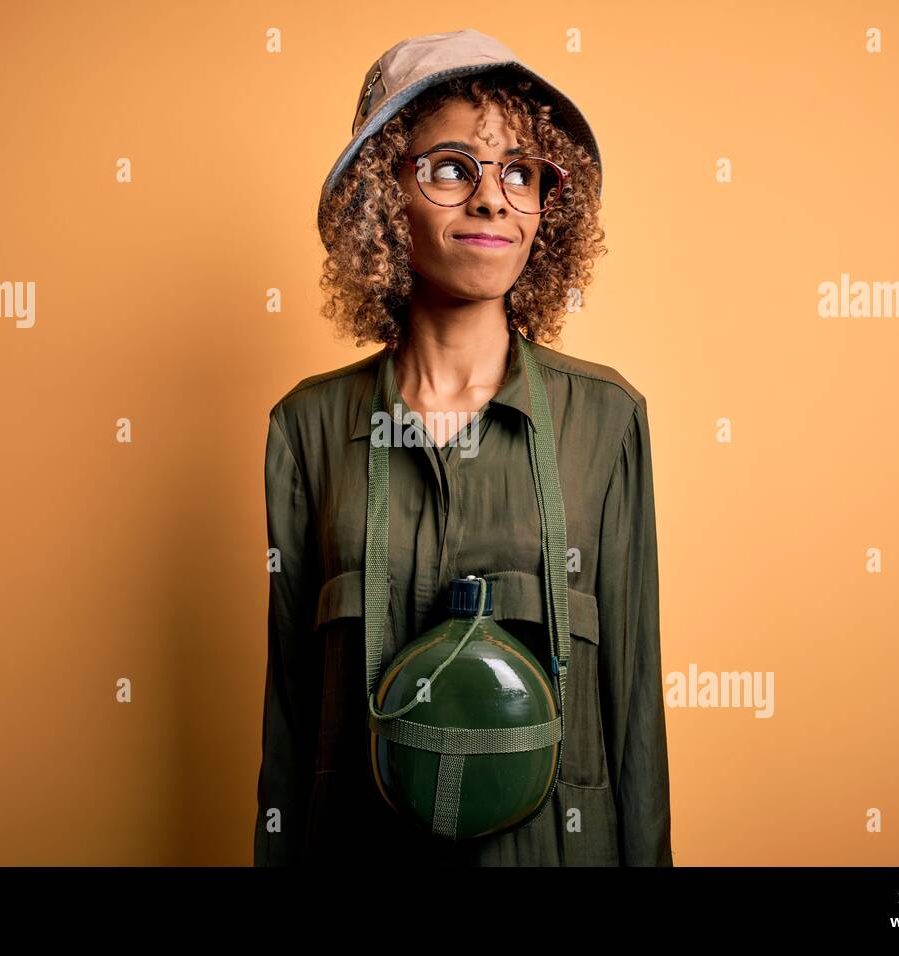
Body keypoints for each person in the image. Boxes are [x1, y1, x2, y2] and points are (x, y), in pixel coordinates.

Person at [254, 28, 673, 866]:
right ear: (383, 197)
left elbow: (635, 728)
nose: (493, 199)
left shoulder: (607, 419)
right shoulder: (306, 429)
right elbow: (292, 722)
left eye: (520, 172)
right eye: (452, 167)